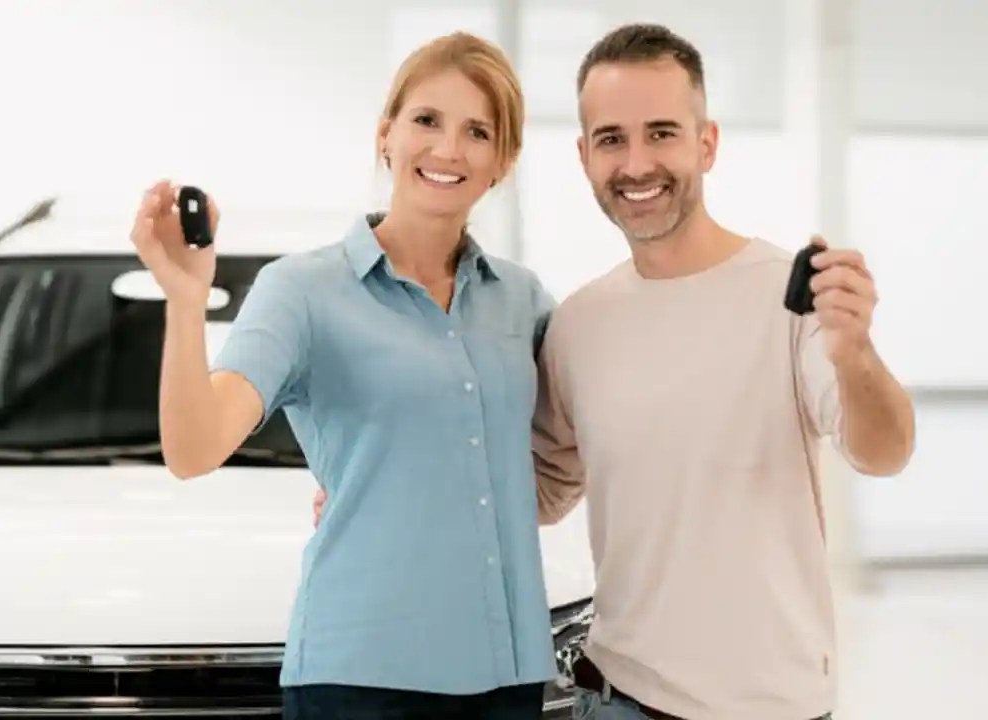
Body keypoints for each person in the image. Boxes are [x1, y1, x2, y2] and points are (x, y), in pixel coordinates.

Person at [130, 32, 558, 720]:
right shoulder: (302, 289)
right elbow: (194, 448)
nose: (448, 149)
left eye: (477, 131)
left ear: (502, 162)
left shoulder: (523, 298)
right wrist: (186, 301)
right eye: (426, 121)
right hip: (363, 677)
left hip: (506, 675)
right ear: (386, 134)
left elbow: (577, 443)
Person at [529, 24, 917, 720]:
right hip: (618, 695)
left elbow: (885, 451)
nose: (637, 162)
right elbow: (542, 491)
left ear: (706, 144)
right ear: (585, 156)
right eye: (613, 139)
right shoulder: (577, 325)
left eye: (662, 133)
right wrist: (379, 490)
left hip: (771, 706)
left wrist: (856, 354)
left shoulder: (786, 299)